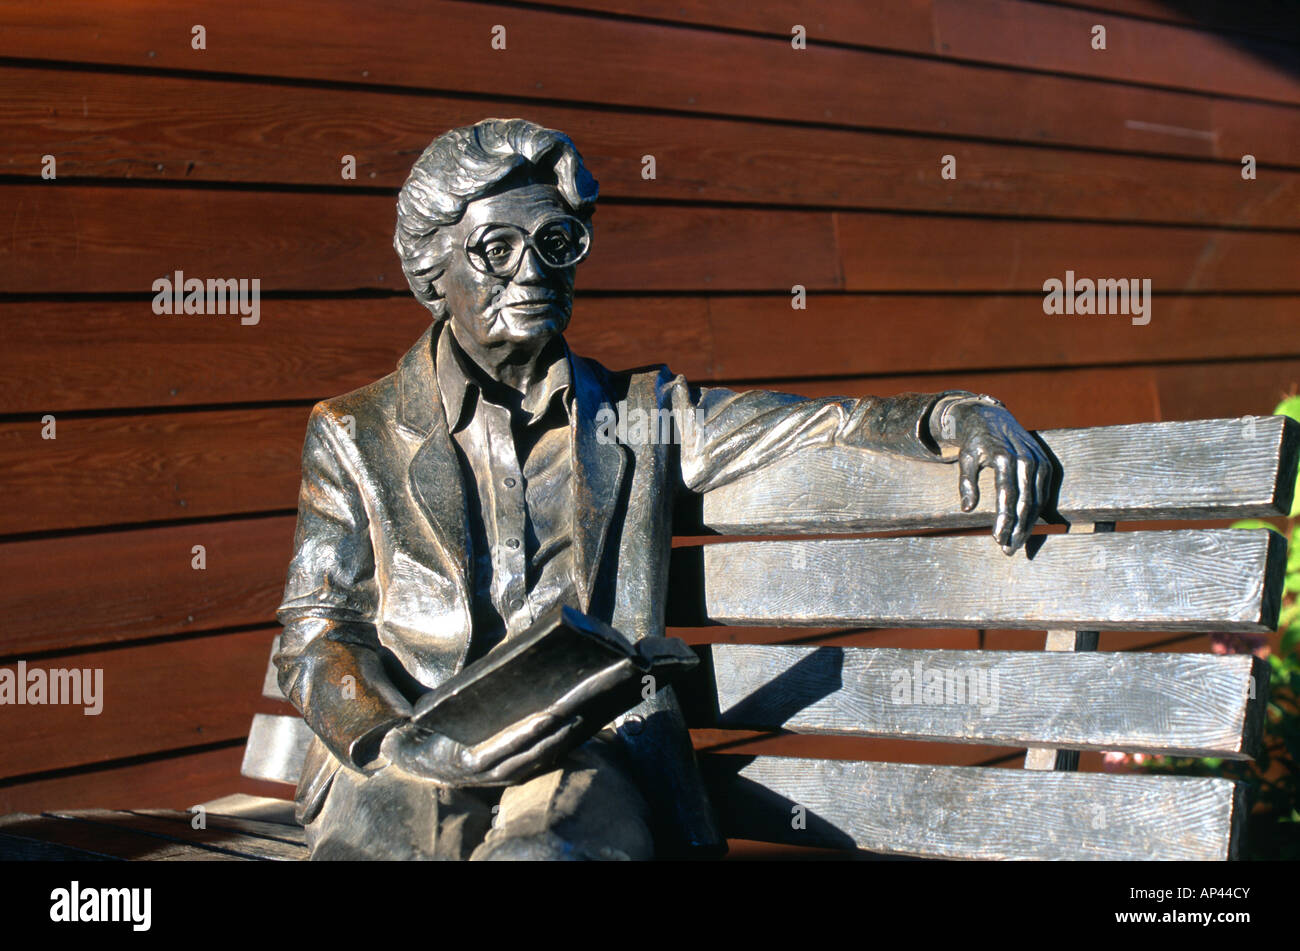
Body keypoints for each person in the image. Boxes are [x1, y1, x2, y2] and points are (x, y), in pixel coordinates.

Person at [275, 118, 1051, 860]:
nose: (533, 270)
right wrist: (391, 738)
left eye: (555, 242)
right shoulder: (357, 431)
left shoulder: (642, 415)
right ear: (431, 271)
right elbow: (317, 629)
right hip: (412, 743)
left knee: (551, 851)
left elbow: (812, 426)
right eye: (496, 248)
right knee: (382, 847)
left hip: (586, 743)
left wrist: (955, 413)